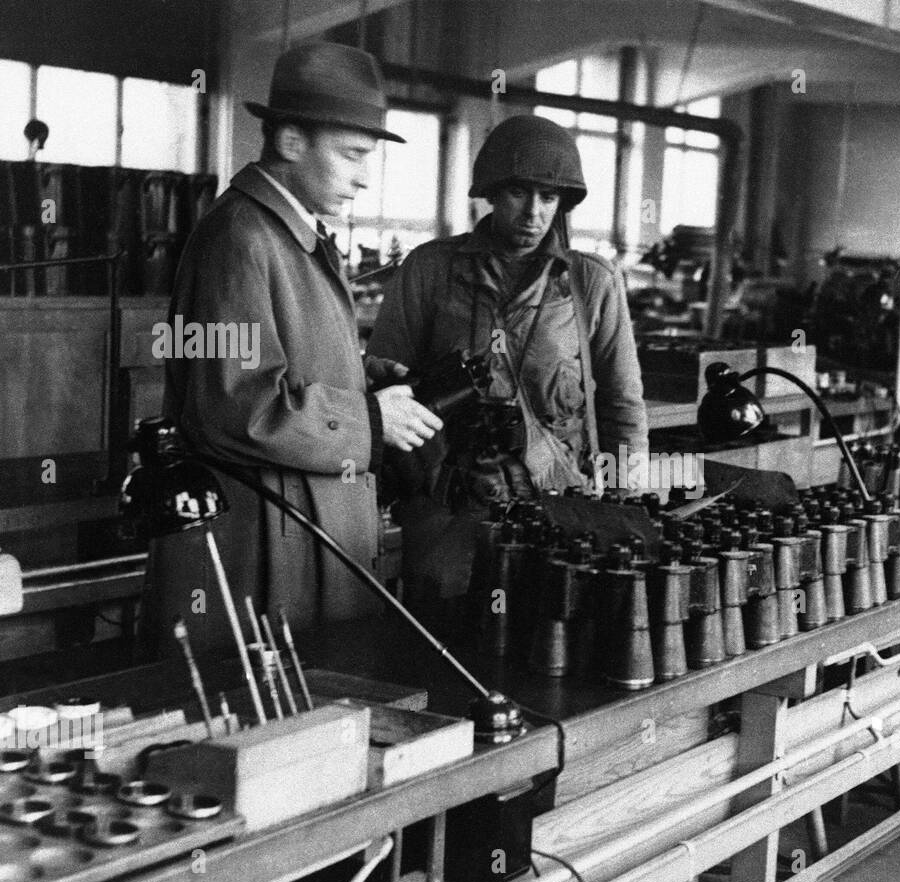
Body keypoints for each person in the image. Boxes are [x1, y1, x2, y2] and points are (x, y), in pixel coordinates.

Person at [141, 42, 442, 657]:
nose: (364, 175)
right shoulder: (240, 238)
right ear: (291, 142)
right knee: (260, 727)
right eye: (353, 154)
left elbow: (286, 363)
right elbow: (236, 407)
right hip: (263, 548)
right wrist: (373, 418)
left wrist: (367, 377)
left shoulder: (289, 235)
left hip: (303, 529)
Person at [367, 113, 648, 625]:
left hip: (558, 515)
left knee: (551, 650)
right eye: (520, 193)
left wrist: (620, 508)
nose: (534, 213)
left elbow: (622, 407)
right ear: (493, 193)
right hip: (448, 516)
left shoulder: (592, 284)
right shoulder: (430, 270)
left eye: (550, 197)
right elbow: (383, 386)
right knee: (438, 650)